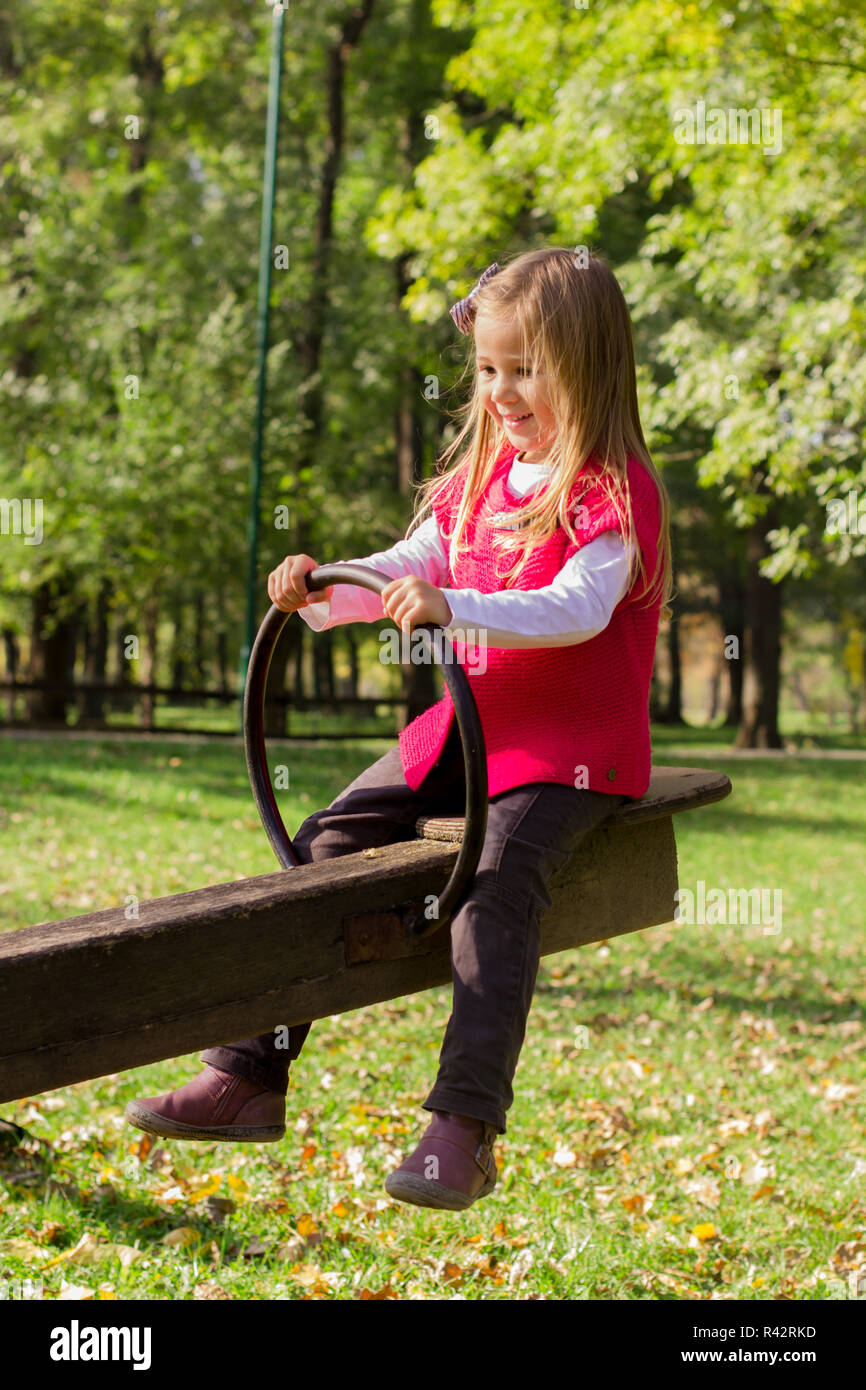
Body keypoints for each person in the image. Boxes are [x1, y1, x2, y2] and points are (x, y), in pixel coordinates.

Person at [126, 246, 673, 1211]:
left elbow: (578, 608)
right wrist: (323, 588)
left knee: (494, 890)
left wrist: (452, 604)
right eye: (490, 369)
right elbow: (410, 561)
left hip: (568, 751)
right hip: (471, 730)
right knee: (326, 840)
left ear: (587, 365)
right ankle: (250, 1073)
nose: (503, 392)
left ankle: (463, 1125)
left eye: (527, 369)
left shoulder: (609, 489)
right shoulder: (477, 477)